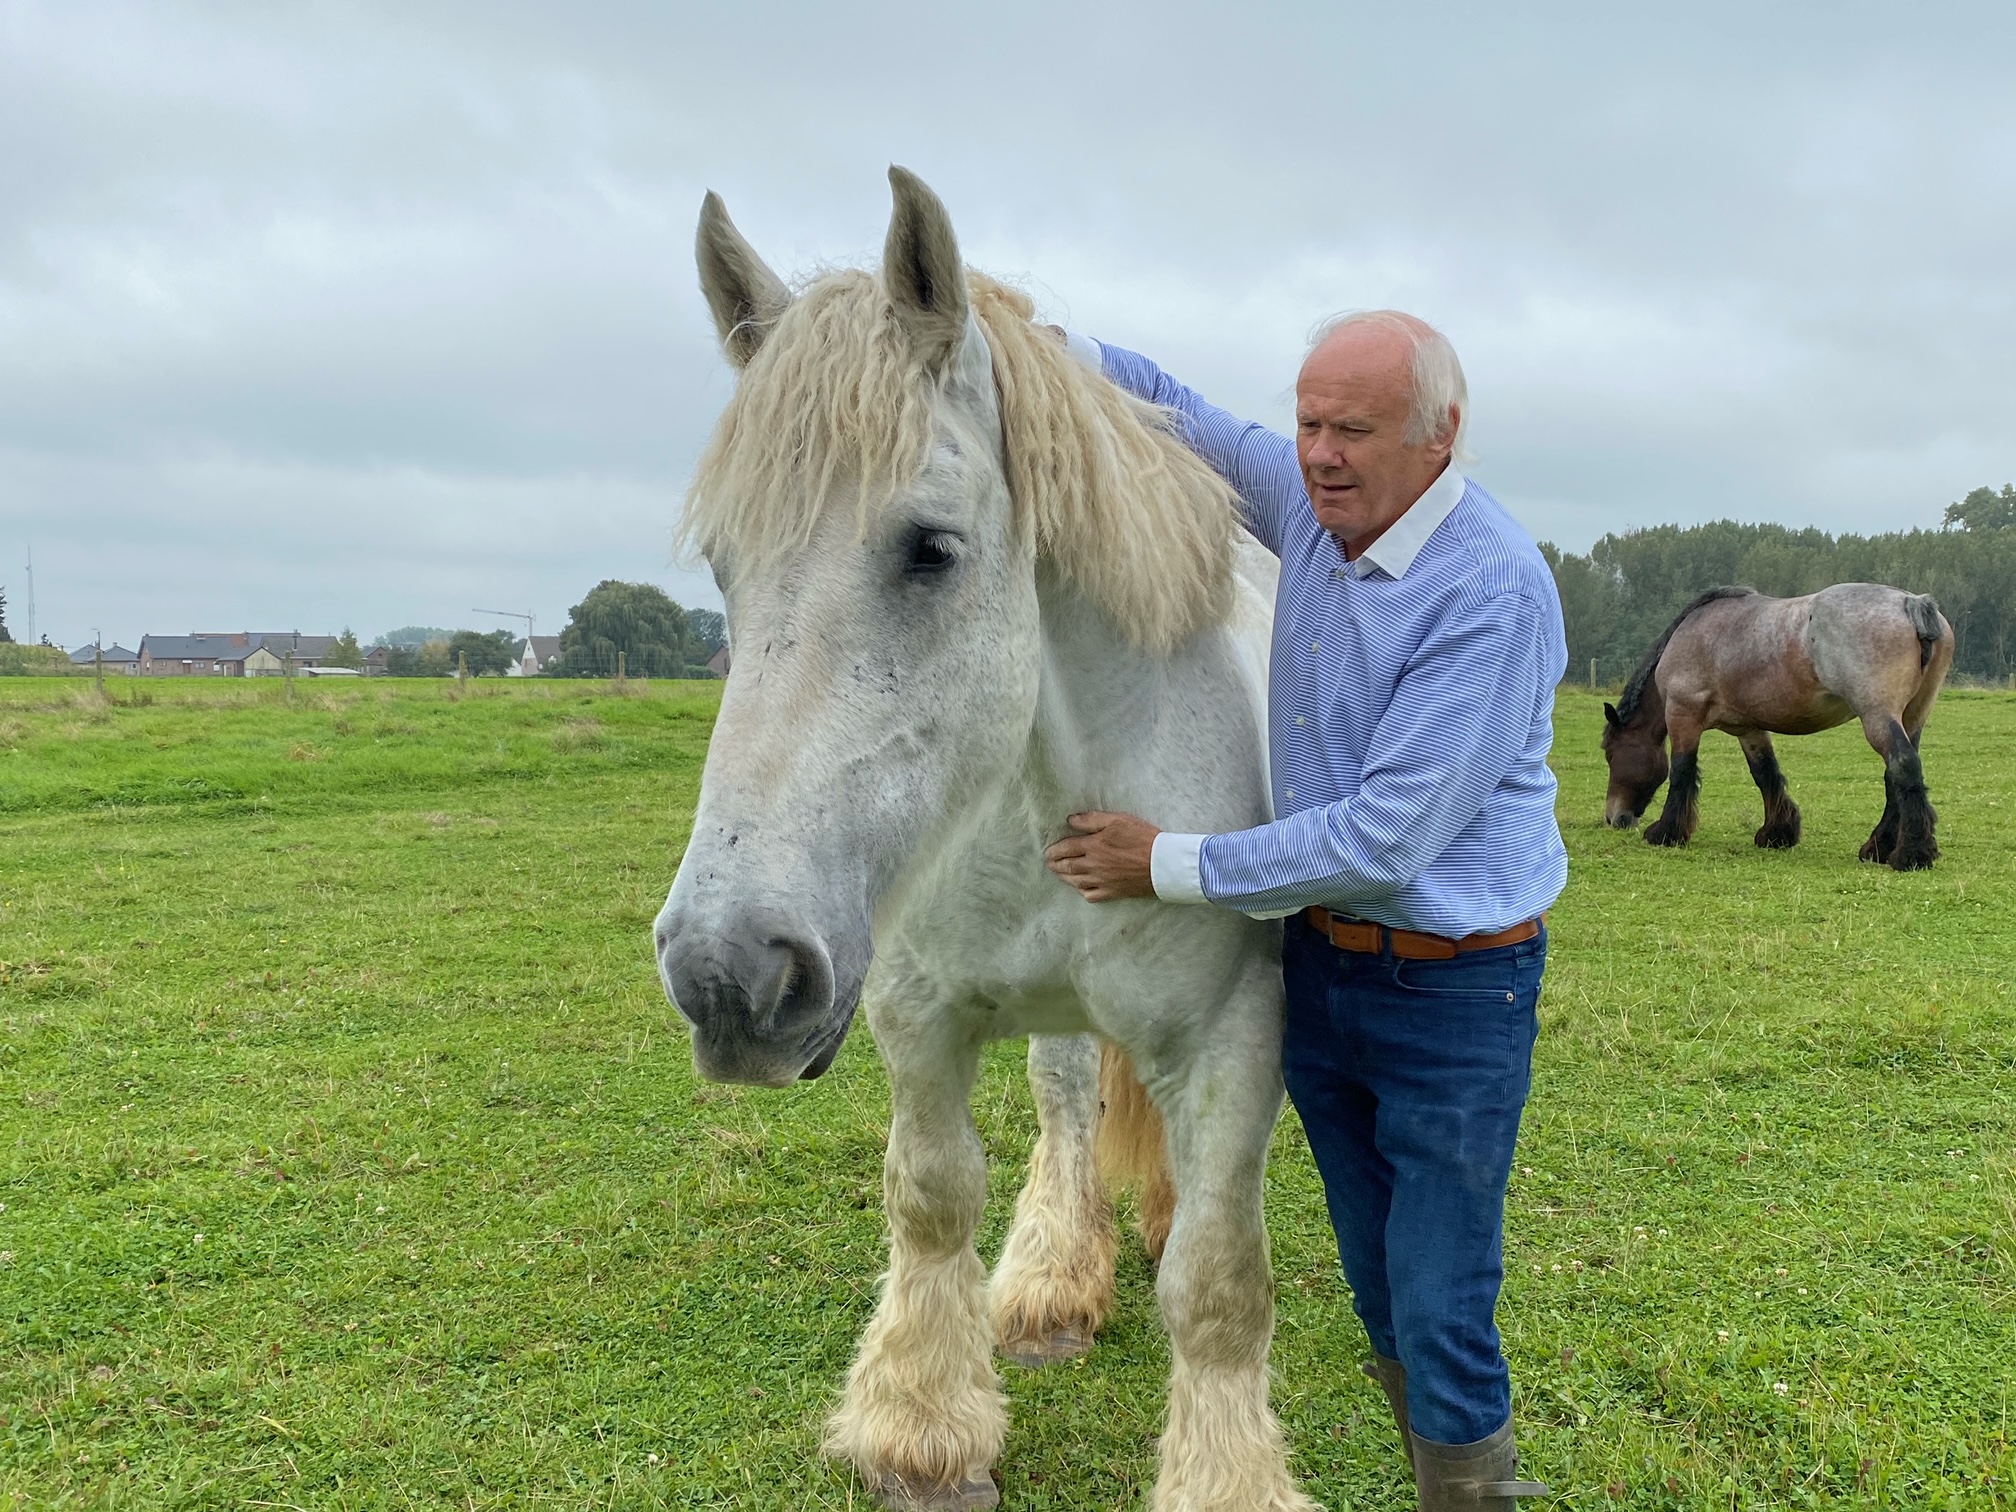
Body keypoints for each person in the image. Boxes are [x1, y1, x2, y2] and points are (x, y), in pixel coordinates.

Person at [1044, 311, 1566, 1510]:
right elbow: (1189, 411)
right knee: (1382, 1286)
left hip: (1450, 988)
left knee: (1439, 1303)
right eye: (1310, 422)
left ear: (1440, 437)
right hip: (1322, 978)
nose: (1320, 453)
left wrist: (1162, 861)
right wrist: (1019, 335)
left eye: (1355, 430)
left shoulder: (1490, 590)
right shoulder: (1312, 504)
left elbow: (1384, 840)